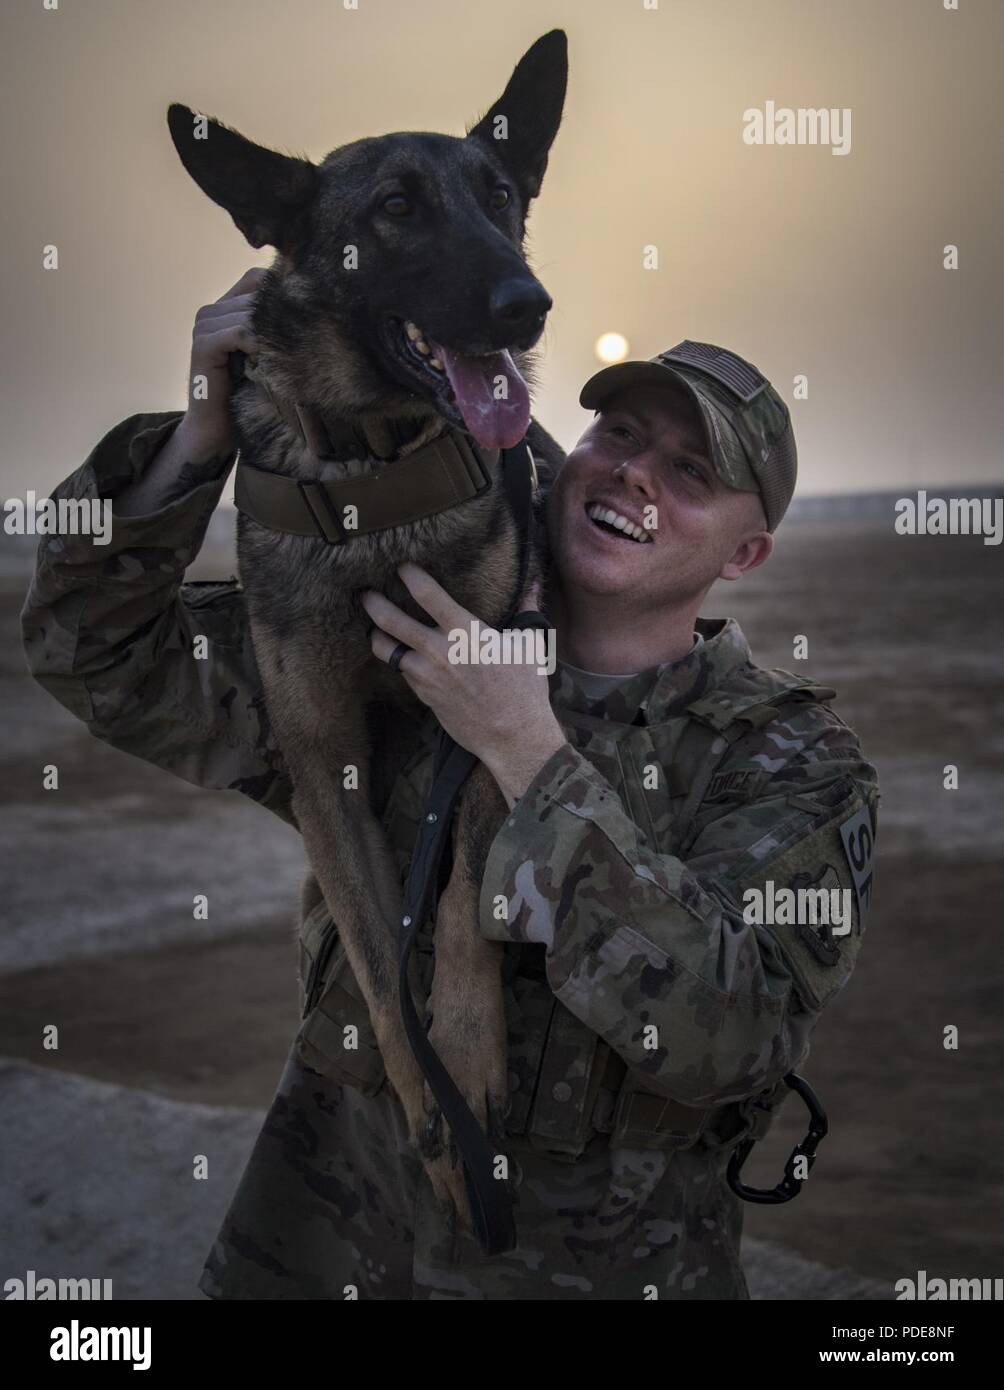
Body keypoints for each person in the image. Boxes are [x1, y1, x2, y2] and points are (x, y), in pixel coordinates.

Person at [21, 268, 880, 1300]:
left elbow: (726, 1037)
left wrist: (526, 752)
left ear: (744, 552)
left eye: (689, 471)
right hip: (318, 1254)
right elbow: (97, 653)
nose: (633, 477)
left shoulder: (785, 760)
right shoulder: (398, 655)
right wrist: (197, 441)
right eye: (616, 438)